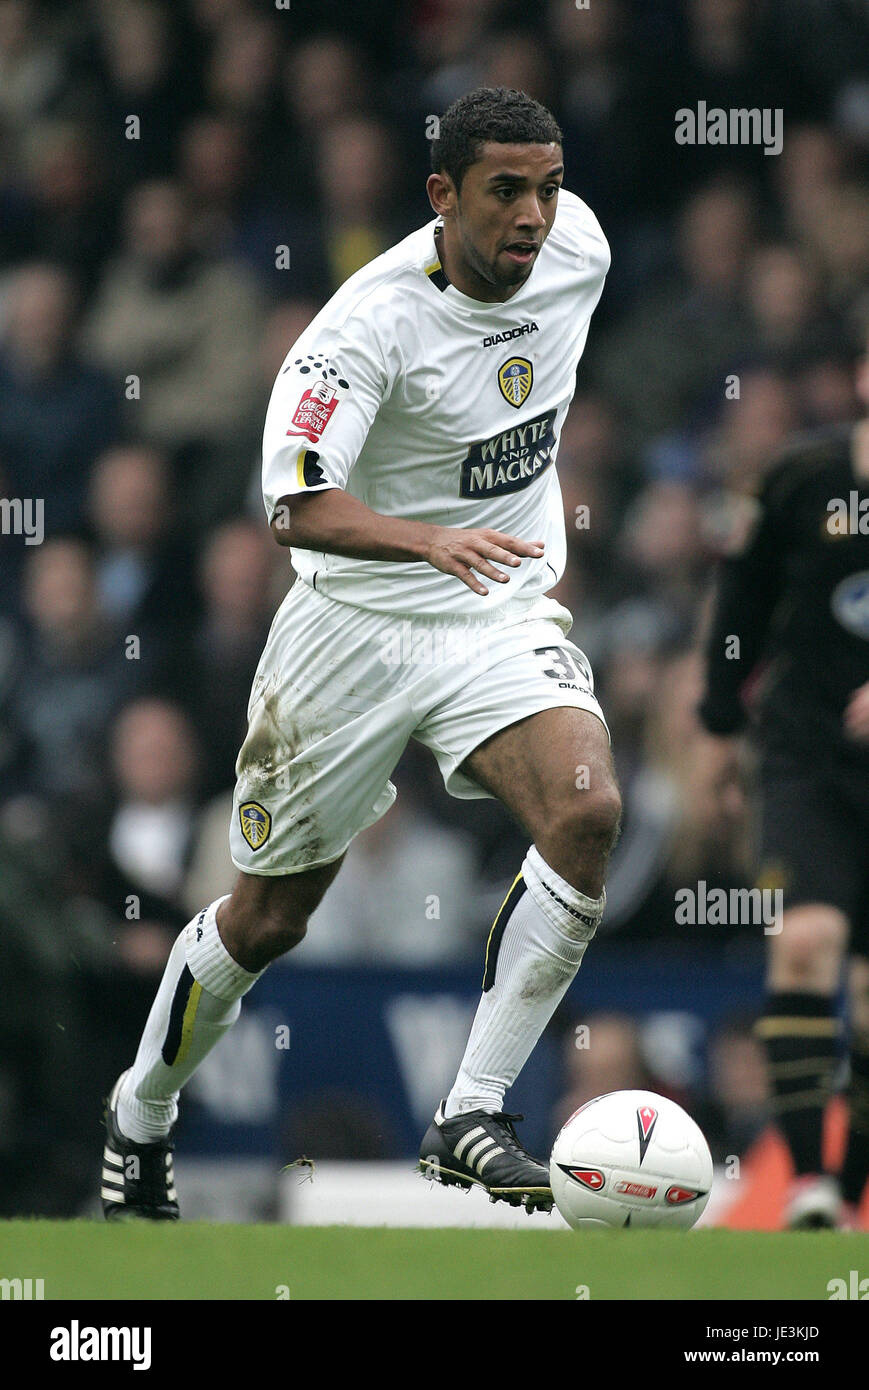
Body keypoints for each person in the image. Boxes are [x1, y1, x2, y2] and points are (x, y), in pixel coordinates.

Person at [101, 87, 621, 1220]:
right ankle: (141, 1109)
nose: (534, 214)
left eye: (547, 184)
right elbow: (292, 504)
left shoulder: (580, 246)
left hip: (493, 605)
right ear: (440, 196)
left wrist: (472, 548)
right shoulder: (364, 325)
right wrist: (425, 536)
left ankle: (469, 1113)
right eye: (505, 191)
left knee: (585, 810)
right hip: (353, 627)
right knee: (266, 920)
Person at [697, 327, 869, 1228]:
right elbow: (741, 596)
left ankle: (850, 1194)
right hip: (806, 757)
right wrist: (718, 727)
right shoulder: (799, 480)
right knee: (802, 941)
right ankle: (807, 1183)